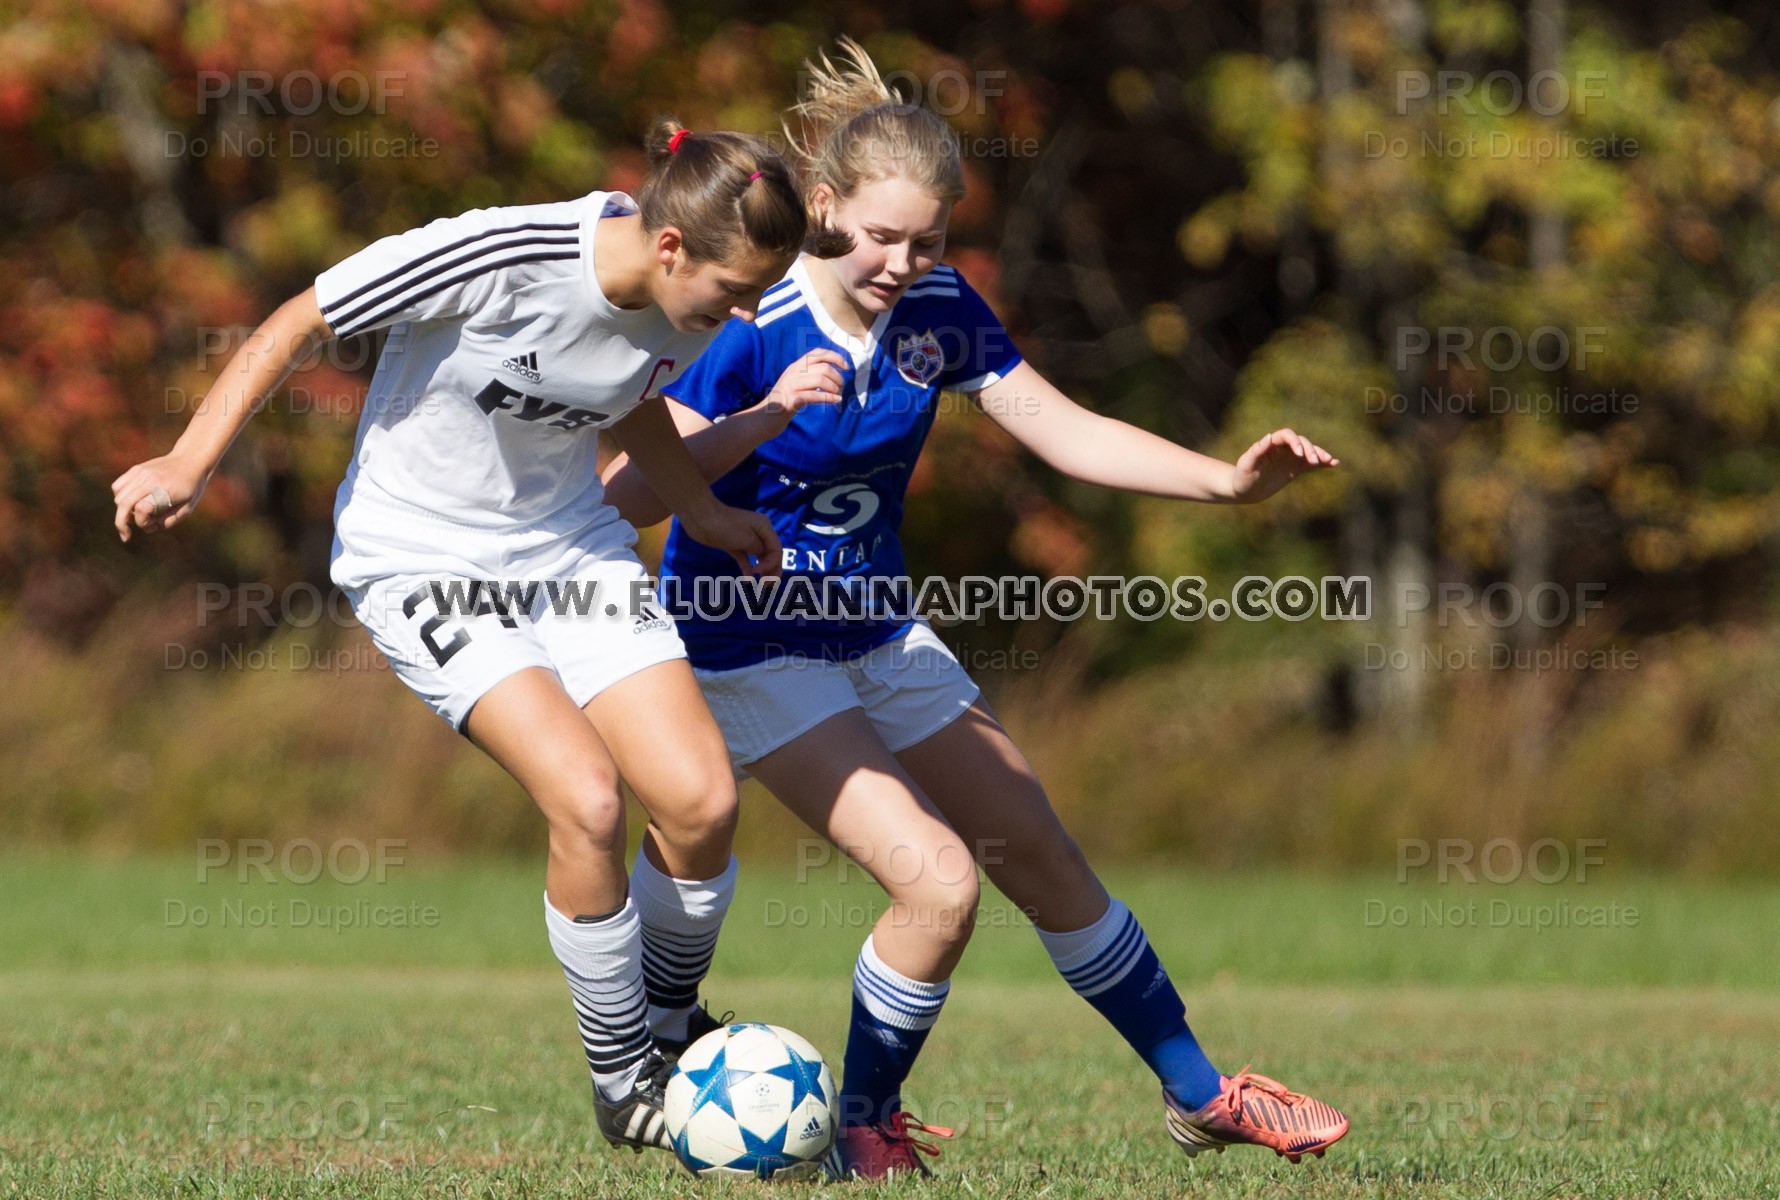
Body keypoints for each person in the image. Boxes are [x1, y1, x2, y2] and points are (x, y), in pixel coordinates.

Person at [598, 42, 1350, 1177]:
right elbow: (628, 492)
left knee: (1041, 857)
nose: (904, 264)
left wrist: (1227, 484)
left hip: (877, 632)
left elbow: (1064, 430)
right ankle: (862, 1131)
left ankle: (1201, 1095)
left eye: (930, 241)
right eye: (881, 237)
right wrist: (762, 418)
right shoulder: (749, 317)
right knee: (940, 884)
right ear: (825, 206)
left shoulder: (939, 310)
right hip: (747, 648)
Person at [109, 118, 838, 1156]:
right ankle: (623, 1079)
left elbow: (628, 395)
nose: (747, 312)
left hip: (568, 549)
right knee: (587, 799)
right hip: (421, 559)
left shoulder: (689, 299)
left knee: (702, 803)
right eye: (735, 292)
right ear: (671, 246)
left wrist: (705, 513)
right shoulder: (499, 253)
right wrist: (189, 460)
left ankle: (671, 1032)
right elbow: (298, 319)